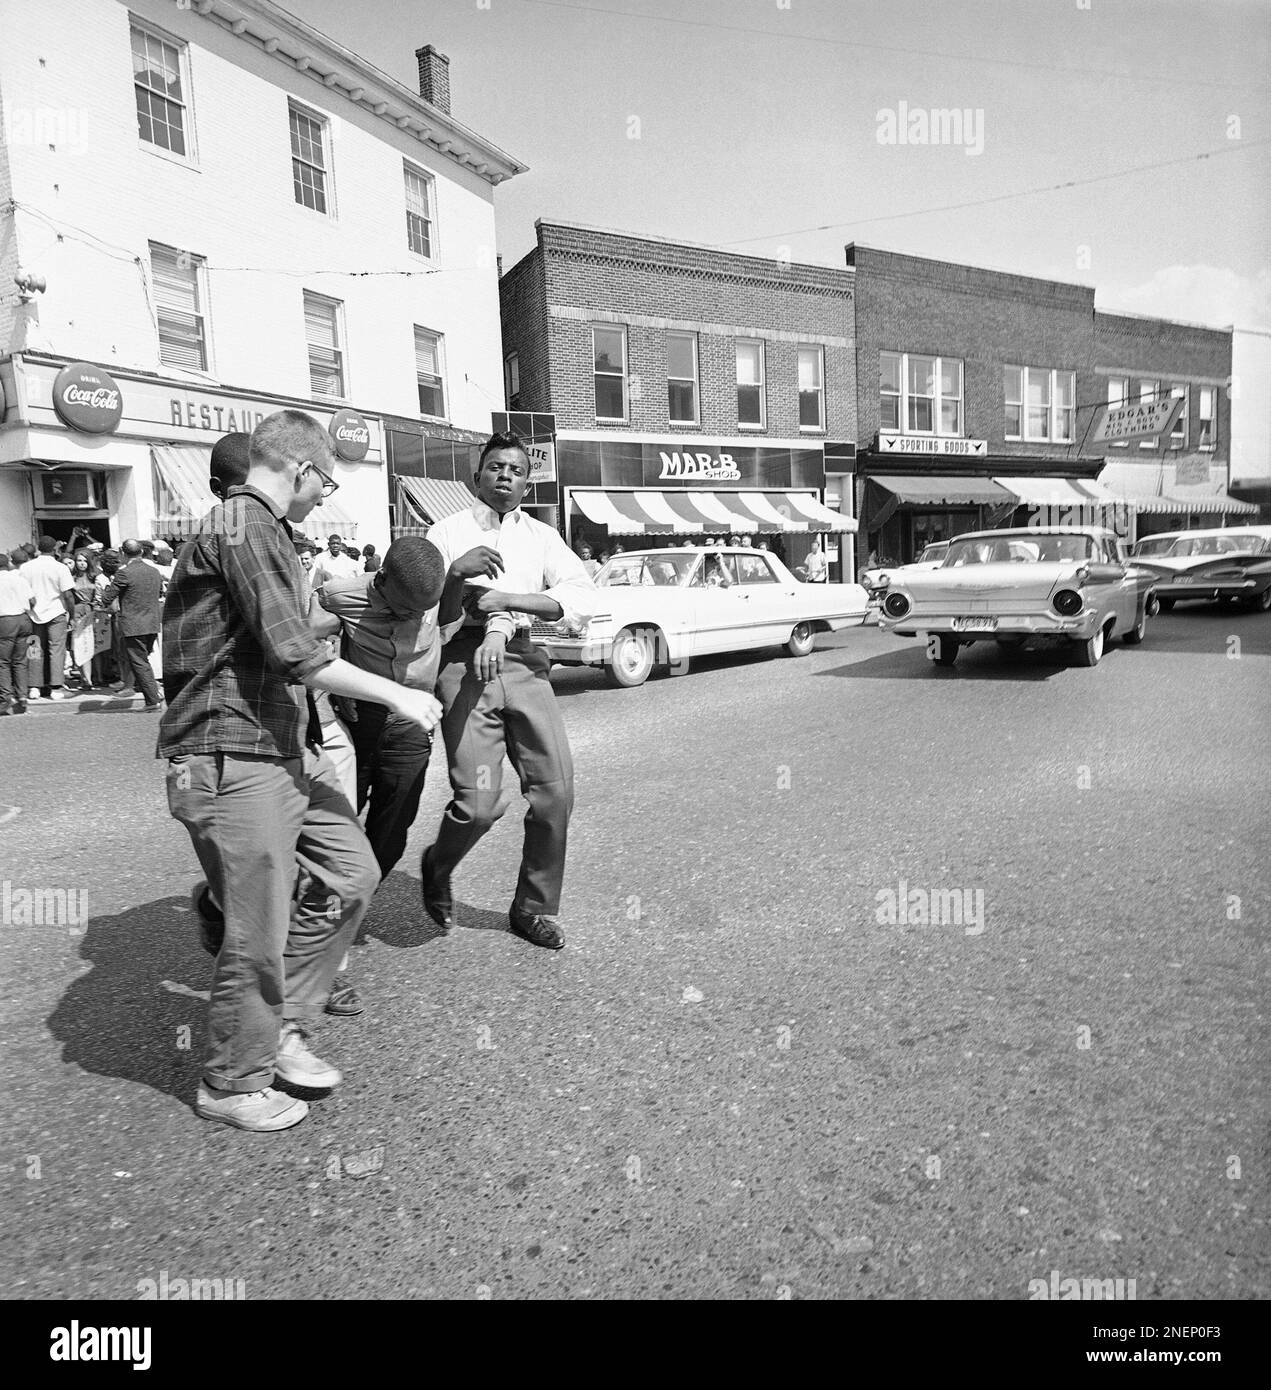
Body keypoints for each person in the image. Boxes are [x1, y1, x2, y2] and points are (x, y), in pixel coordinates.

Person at [160, 408, 442, 1132]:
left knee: (352, 873)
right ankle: (233, 1079)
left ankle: (280, 1023)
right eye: (325, 483)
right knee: (258, 927)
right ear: (302, 469)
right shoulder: (243, 519)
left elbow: (278, 642)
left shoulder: (261, 529)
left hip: (278, 745)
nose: (325, 497)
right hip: (231, 752)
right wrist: (399, 694)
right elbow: (295, 651)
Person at [420, 431, 598, 951]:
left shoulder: (541, 538)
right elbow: (432, 612)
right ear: (477, 476)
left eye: (516, 470)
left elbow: (580, 595)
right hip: (463, 664)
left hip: (523, 663)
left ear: (526, 483)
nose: (505, 476)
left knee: (555, 793)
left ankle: (532, 907)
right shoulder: (446, 532)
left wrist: (510, 600)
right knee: (478, 802)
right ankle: (440, 861)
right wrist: (456, 576)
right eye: (495, 467)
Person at [311, 537, 447, 878]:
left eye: (422, 611)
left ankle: (358, 897)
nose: (414, 617)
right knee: (336, 818)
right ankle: (329, 896)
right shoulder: (340, 595)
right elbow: (311, 631)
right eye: (405, 609)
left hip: (412, 727)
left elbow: (486, 609)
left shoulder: (437, 595)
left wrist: (496, 633)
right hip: (360, 723)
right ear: (382, 578)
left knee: (392, 828)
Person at [99, 541, 164, 710]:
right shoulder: (154, 571)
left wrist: (111, 584)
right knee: (144, 660)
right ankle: (154, 691)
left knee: (139, 662)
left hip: (133, 624)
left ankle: (152, 700)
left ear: (123, 553)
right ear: (141, 551)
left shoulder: (124, 573)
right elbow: (159, 593)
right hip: (152, 622)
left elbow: (106, 599)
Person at [20, 535, 75, 701]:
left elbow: (23, 592)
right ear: (55, 549)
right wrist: (71, 615)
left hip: (33, 613)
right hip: (55, 611)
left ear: (38, 548)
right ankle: (56, 688)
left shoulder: (26, 568)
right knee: (56, 649)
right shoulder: (60, 568)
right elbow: (68, 595)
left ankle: (35, 687)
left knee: (35, 649)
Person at [0, 550, 36, 715]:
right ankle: (22, 695)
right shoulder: (19, 579)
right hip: (23, 619)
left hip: (5, 620)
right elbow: (32, 600)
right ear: (8, 564)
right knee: (20, 660)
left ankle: (6, 697)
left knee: (3, 661)